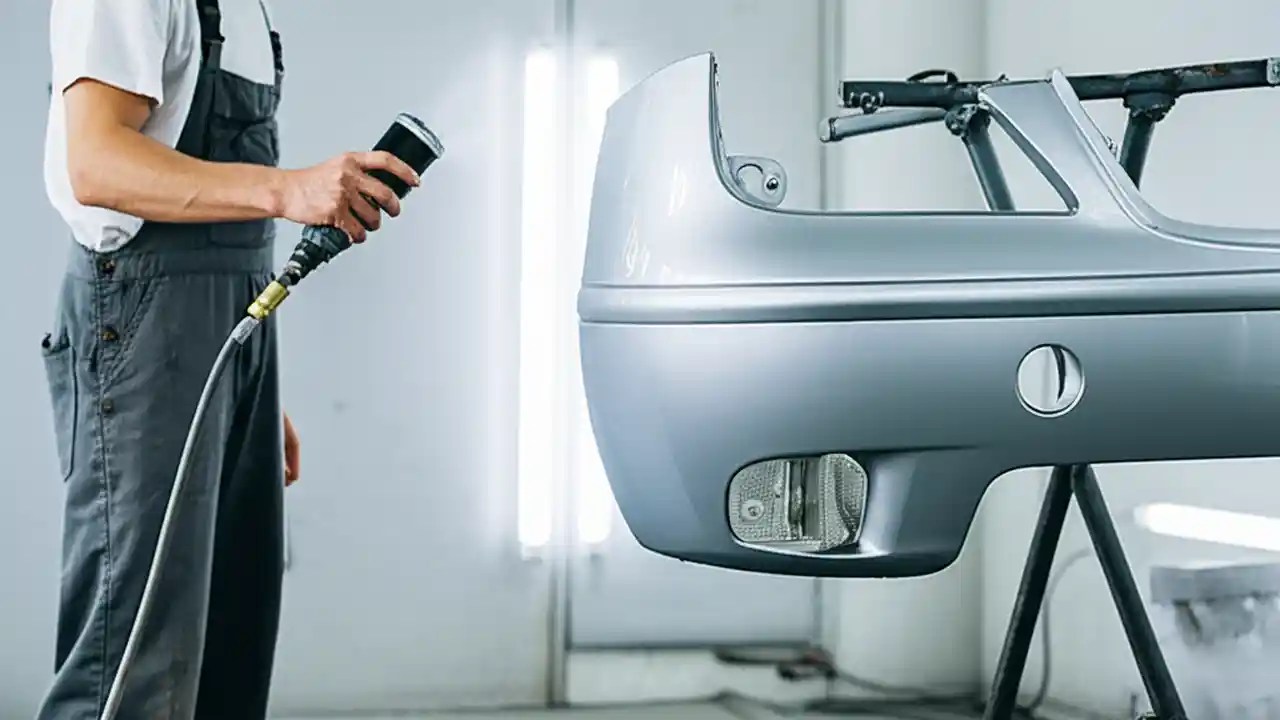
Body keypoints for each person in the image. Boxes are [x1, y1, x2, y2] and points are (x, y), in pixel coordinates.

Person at [38, 0, 419, 717]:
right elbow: (95, 161)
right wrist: (288, 189)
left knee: (225, 647)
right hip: (144, 329)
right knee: (132, 664)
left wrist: (245, 390)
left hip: (223, 340)